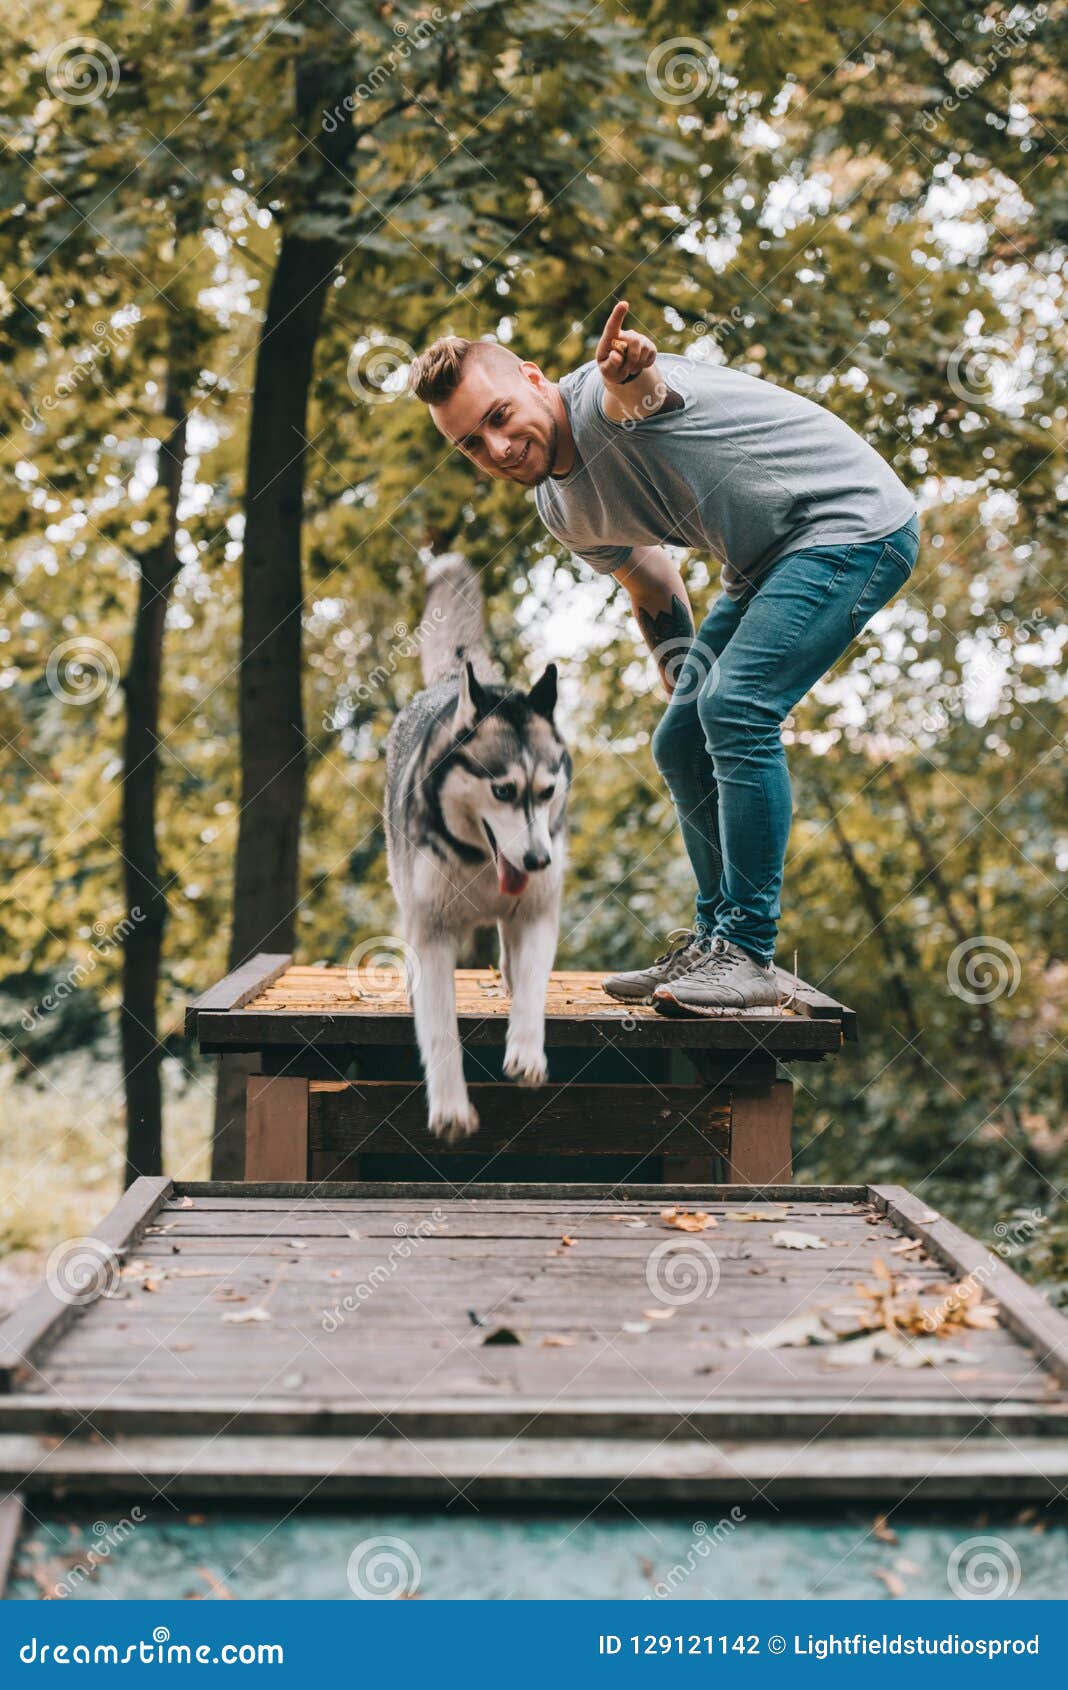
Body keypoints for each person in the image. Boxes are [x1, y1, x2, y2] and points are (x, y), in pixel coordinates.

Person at [407, 302, 919, 1015]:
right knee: (681, 737)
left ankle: (747, 951)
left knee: (736, 708)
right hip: (767, 564)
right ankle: (714, 944)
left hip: (851, 524)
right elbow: (648, 578)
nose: (495, 449)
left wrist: (632, 371)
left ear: (531, 378)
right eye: (470, 444)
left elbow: (641, 398)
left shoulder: (605, 395)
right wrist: (684, 685)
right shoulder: (561, 510)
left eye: (497, 417)